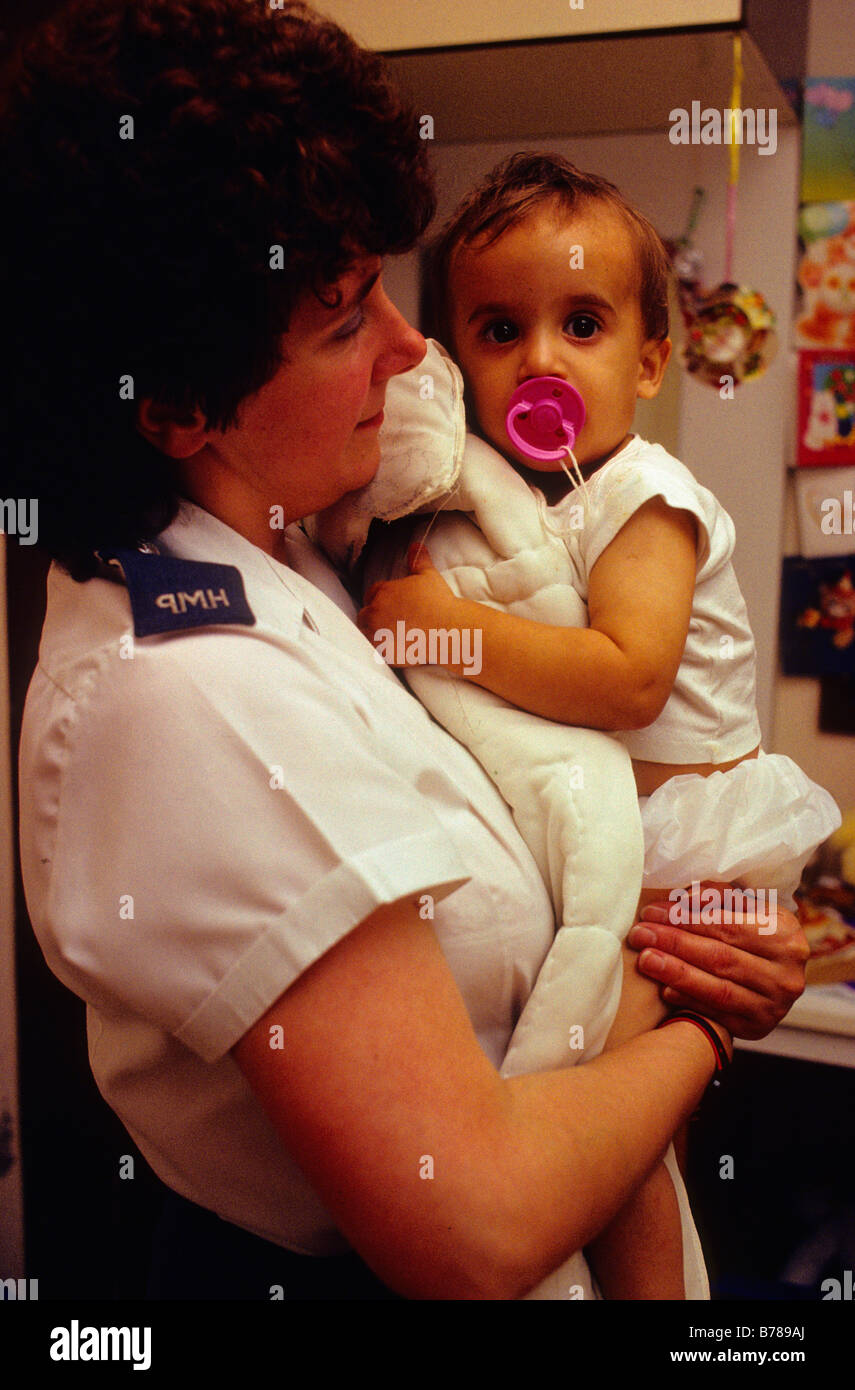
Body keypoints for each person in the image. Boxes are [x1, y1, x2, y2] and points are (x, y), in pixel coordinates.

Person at [3, 0, 809, 1301]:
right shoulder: (192, 694)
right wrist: (705, 1023)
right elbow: (473, 1225)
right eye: (339, 321)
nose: (410, 345)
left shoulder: (299, 570)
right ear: (173, 405)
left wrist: (706, 934)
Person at [352, 154, 839, 1297]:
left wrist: (435, 628)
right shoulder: (526, 501)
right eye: (498, 327)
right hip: (639, 840)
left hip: (692, 848)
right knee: (626, 1142)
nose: (540, 360)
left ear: (653, 359)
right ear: (457, 358)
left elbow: (625, 678)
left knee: (601, 1132)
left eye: (582, 323)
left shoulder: (642, 498)